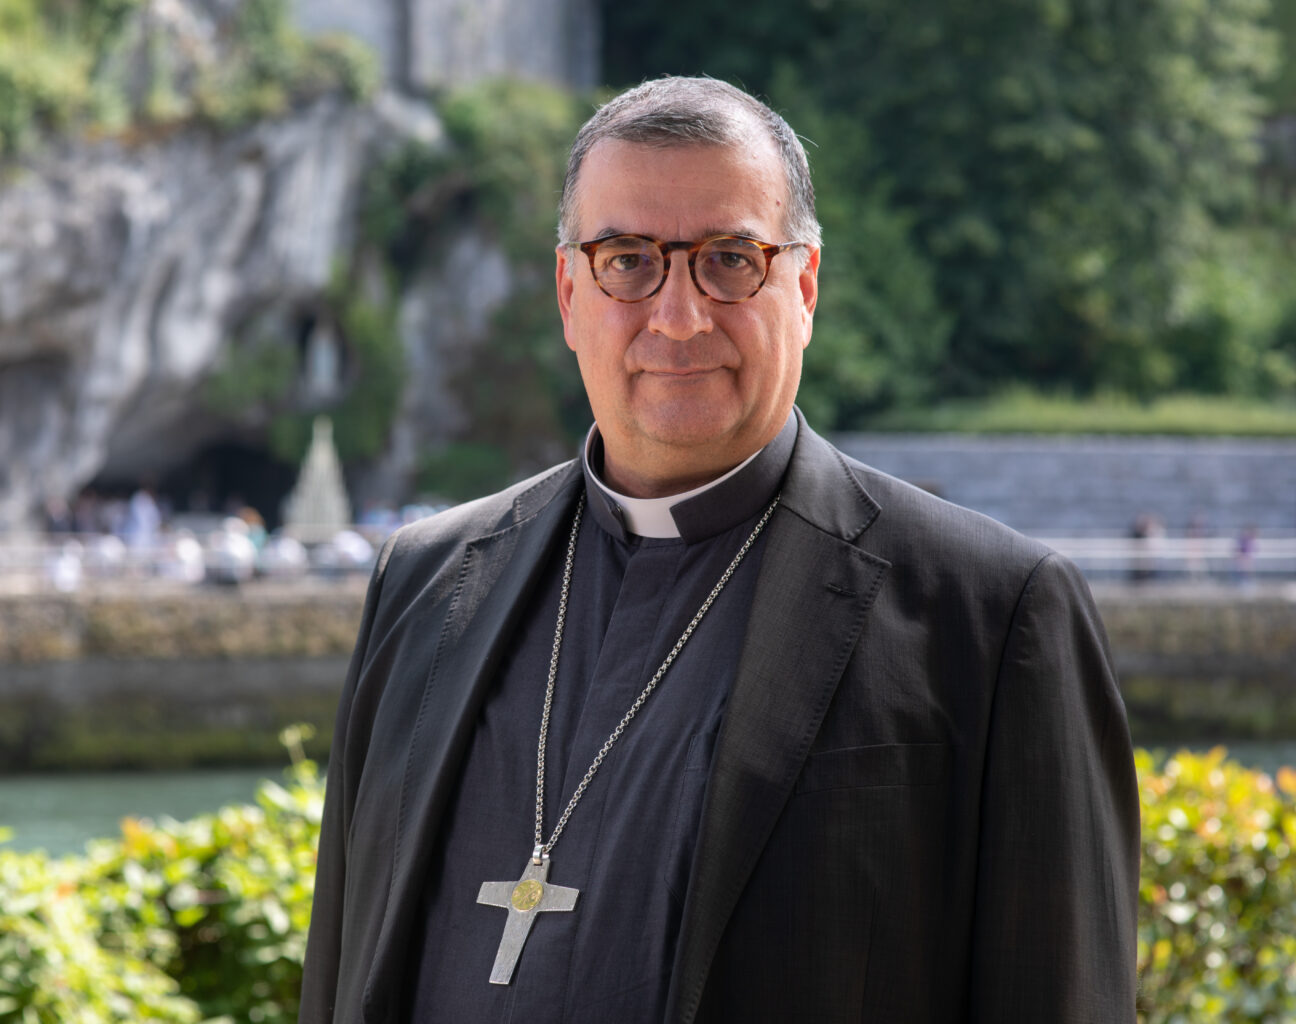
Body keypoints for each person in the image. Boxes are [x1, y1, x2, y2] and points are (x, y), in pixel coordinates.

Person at [300, 77, 1139, 1024]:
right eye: (627, 261)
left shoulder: (992, 616)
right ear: (571, 293)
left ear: (805, 287)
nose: (680, 314)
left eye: (731, 260)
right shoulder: (426, 581)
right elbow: (340, 971)